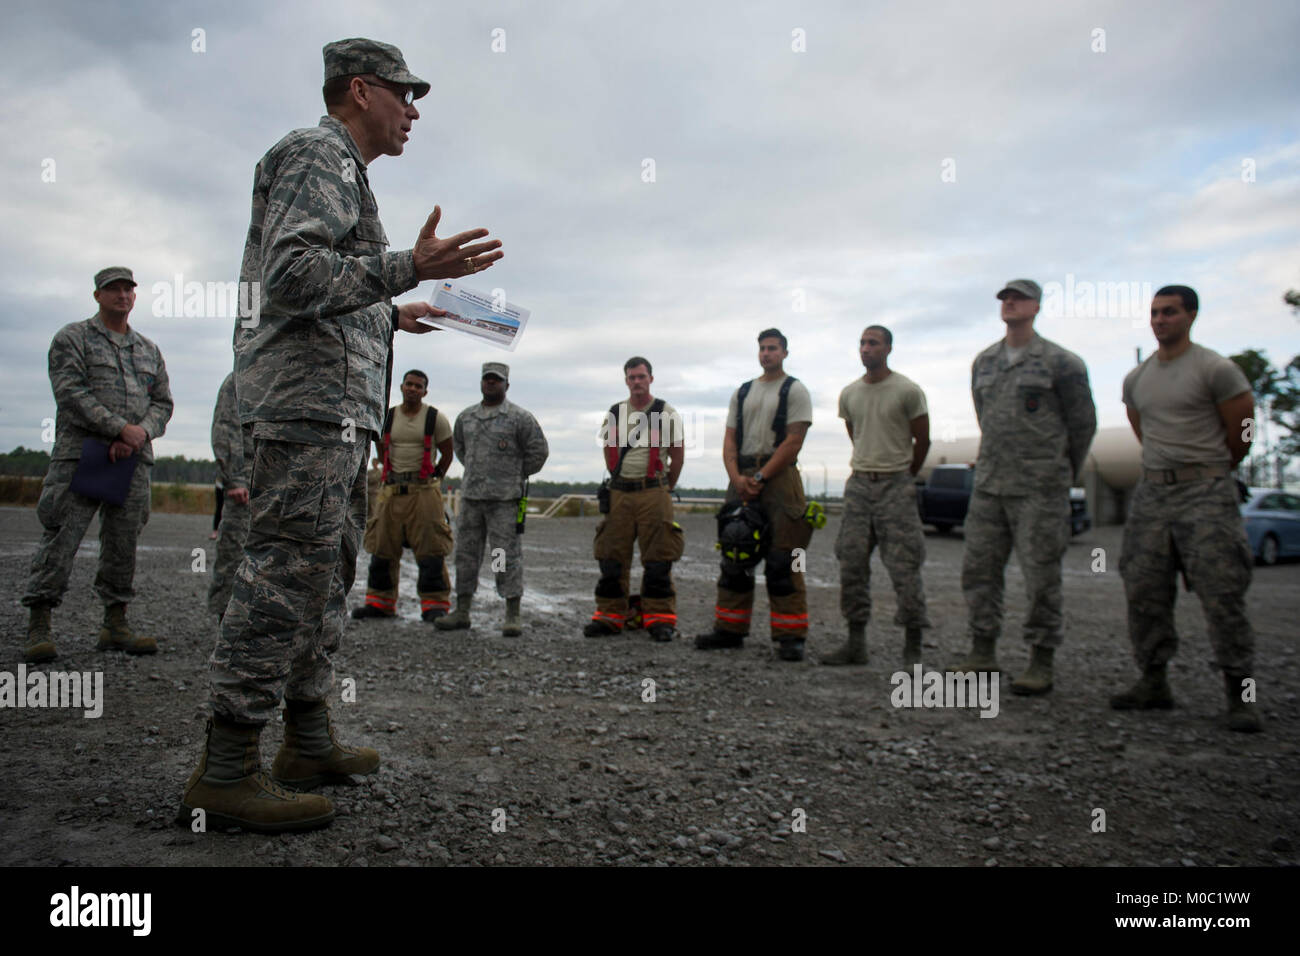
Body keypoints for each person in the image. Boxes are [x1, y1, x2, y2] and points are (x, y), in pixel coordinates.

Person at [180, 37, 503, 834]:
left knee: (325, 577)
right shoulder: (314, 153)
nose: (414, 110)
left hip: (335, 414)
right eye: (404, 94)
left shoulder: (345, 172)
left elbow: (322, 284)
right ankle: (225, 769)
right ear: (360, 90)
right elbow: (288, 279)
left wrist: (394, 312)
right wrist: (406, 268)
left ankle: (308, 739)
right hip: (303, 410)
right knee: (281, 576)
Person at [1112, 285, 1260, 732]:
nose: (1160, 320)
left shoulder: (1216, 369)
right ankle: (1154, 682)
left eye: (1170, 312)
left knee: (1222, 593)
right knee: (1144, 589)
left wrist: (1215, 467)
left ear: (1191, 315)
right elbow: (1144, 429)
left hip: (1207, 491)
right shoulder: (1137, 379)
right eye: (1155, 313)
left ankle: (1241, 695)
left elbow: (1245, 427)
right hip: (1154, 493)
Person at [20, 266, 173, 664]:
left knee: (123, 545)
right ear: (98, 296)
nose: (122, 296)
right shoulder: (72, 339)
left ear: (135, 297)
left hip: (133, 461)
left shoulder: (148, 350)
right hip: (82, 454)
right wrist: (119, 429)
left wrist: (139, 433)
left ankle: (115, 624)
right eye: (113, 290)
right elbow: (70, 393)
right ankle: (39, 623)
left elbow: (163, 403)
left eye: (128, 290)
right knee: (61, 538)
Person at [950, 279, 1096, 695]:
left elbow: (1083, 423)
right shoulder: (985, 361)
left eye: (1018, 298)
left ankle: (1040, 659)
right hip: (991, 484)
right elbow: (986, 416)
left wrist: (1060, 470)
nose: (1009, 302)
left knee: (1041, 576)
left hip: (1040, 487)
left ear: (1036, 306)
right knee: (979, 570)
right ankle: (982, 651)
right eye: (1004, 298)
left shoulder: (1061, 362)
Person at [696, 328, 815, 662]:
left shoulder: (796, 390)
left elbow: (794, 439)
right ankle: (729, 630)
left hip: (780, 479)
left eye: (773, 348)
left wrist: (762, 476)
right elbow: (730, 439)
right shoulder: (743, 391)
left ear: (785, 353)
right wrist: (737, 477)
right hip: (741, 476)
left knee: (785, 558)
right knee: (736, 551)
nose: (767, 353)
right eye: (762, 348)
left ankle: (791, 637)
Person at [823, 325, 932, 667]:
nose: (866, 348)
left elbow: (922, 441)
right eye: (862, 343)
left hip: (896, 485)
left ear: (888, 349)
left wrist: (902, 475)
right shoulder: (850, 394)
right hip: (859, 485)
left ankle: (912, 648)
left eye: (874, 343)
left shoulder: (907, 391)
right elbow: (855, 433)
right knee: (851, 563)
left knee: (904, 566)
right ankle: (856, 643)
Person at [436, 362, 548, 636]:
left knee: (503, 557)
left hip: (504, 502)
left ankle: (511, 612)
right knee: (466, 556)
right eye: (487, 379)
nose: (491, 383)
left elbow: (538, 452)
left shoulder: (520, 418)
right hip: (472, 498)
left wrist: (514, 474)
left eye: (496, 380)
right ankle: (462, 610)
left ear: (506, 385)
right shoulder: (466, 417)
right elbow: (460, 449)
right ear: (481, 382)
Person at [584, 357, 685, 642]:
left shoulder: (667, 412)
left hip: (654, 490)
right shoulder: (615, 413)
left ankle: (660, 618)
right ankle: (609, 615)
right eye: (632, 377)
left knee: (658, 558)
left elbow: (677, 455)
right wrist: (619, 479)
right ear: (626, 381)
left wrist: (664, 486)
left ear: (651, 378)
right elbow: (608, 450)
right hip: (620, 493)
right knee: (611, 557)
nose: (637, 382)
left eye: (641, 377)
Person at [351, 369, 454, 622]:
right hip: (391, 489)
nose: (413, 389)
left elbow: (448, 453)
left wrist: (435, 478)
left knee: (431, 548)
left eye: (418, 386)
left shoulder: (435, 418)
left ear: (425, 391)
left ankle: (435, 606)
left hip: (423, 491)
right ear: (401, 386)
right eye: (409, 384)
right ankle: (380, 603)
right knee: (382, 546)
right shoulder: (388, 417)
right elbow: (381, 447)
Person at [207, 371, 250, 620]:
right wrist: (234, 478)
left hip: (280, 482)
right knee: (234, 551)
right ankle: (227, 617)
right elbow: (225, 426)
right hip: (246, 481)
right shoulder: (241, 376)